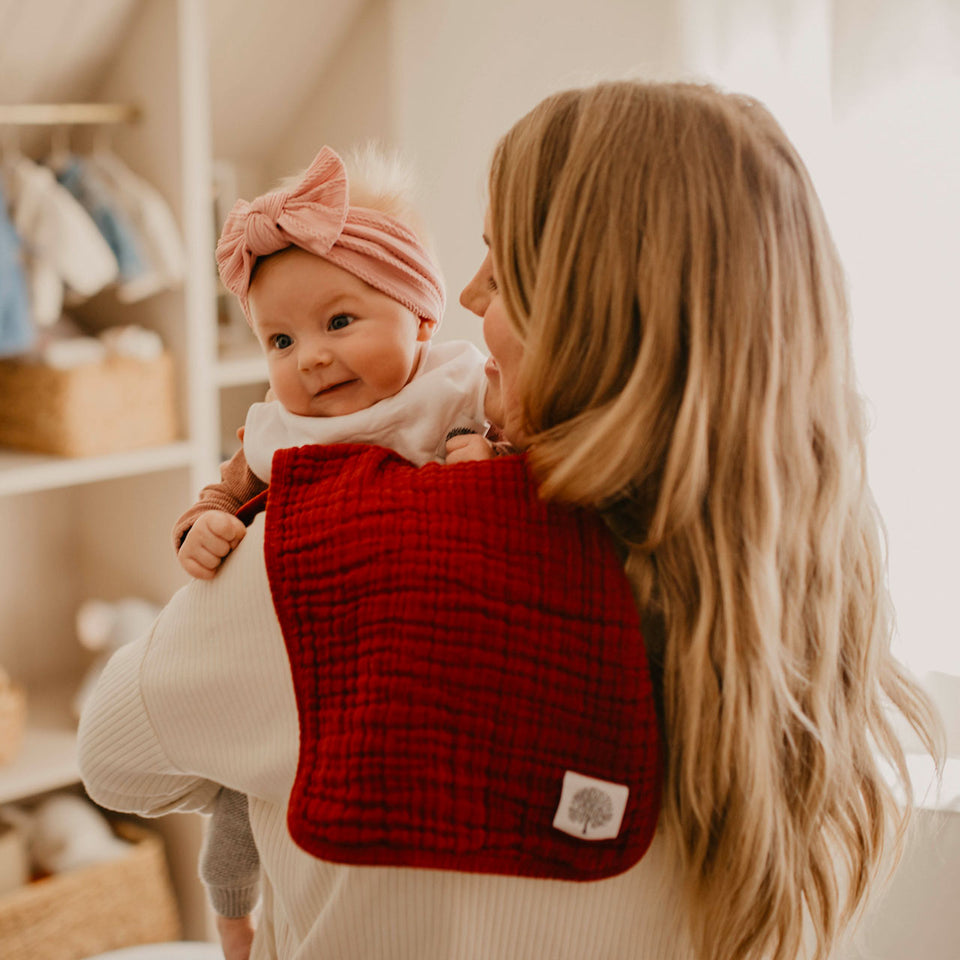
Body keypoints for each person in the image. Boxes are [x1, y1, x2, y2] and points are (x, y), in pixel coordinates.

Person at [78, 81, 943, 960]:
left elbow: (111, 751)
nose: (466, 292)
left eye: (503, 263)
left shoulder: (324, 555)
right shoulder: (804, 586)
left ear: (592, 312)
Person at [175, 145, 500, 959]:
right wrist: (204, 527)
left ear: (421, 318)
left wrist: (483, 461)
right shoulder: (279, 428)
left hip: (394, 652)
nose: (309, 357)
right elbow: (223, 494)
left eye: (339, 322)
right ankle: (231, 922)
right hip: (286, 653)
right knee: (234, 807)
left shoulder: (455, 392)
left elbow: (506, 458)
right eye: (278, 340)